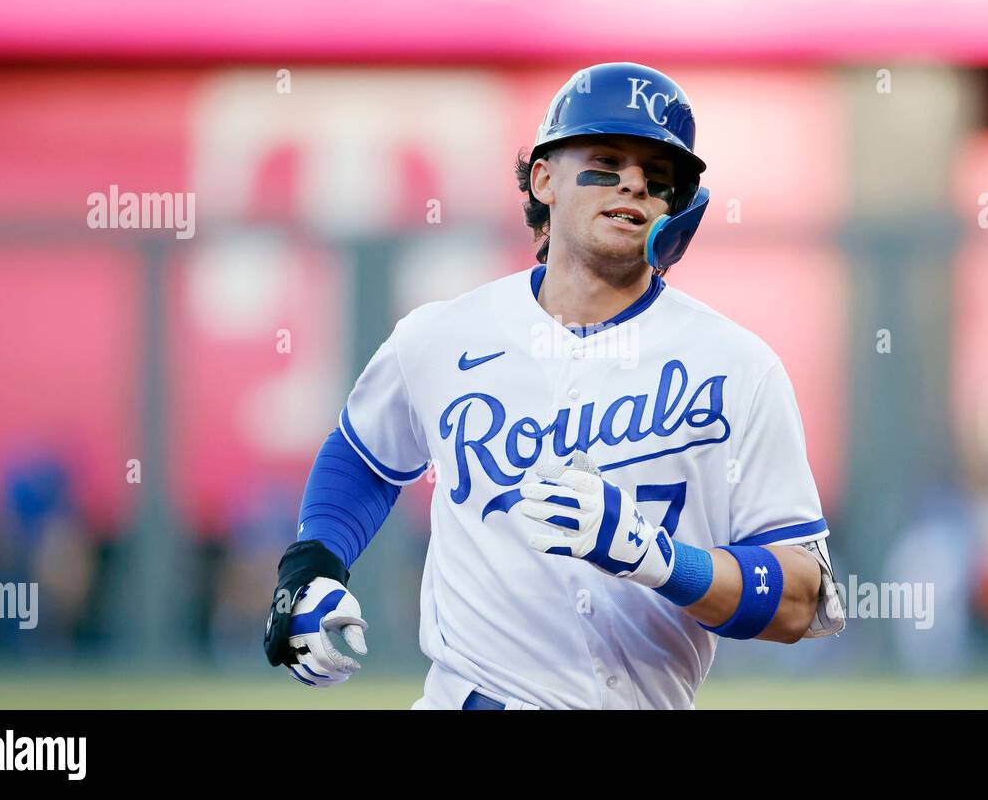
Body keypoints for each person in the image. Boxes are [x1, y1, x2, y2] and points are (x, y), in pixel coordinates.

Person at [264, 62, 845, 709]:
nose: (633, 181)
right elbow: (363, 454)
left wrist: (660, 559)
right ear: (544, 178)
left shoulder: (739, 367)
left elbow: (802, 598)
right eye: (606, 160)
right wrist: (311, 567)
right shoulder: (441, 336)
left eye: (659, 177)